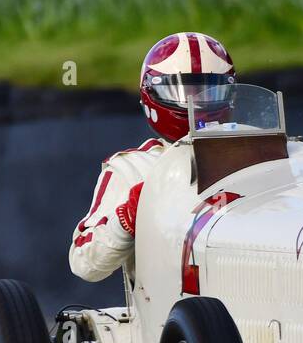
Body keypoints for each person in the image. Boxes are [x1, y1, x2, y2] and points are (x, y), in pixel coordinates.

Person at [69, 31, 236, 282]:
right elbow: (83, 262)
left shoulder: (258, 153)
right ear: (152, 94)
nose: (195, 103)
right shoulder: (132, 168)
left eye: (208, 91)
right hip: (170, 309)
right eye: (183, 92)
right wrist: (125, 218)